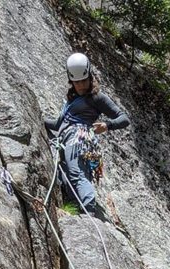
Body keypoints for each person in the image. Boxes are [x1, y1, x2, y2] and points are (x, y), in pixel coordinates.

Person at [43, 53, 130, 217]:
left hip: (79, 138)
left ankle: (88, 211)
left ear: (90, 76)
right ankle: (77, 206)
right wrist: (39, 120)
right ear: (71, 81)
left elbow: (124, 119)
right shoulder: (70, 100)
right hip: (66, 138)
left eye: (84, 80)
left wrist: (107, 125)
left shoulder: (97, 97)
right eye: (77, 82)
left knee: (77, 173)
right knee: (66, 174)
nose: (81, 85)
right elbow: (58, 124)